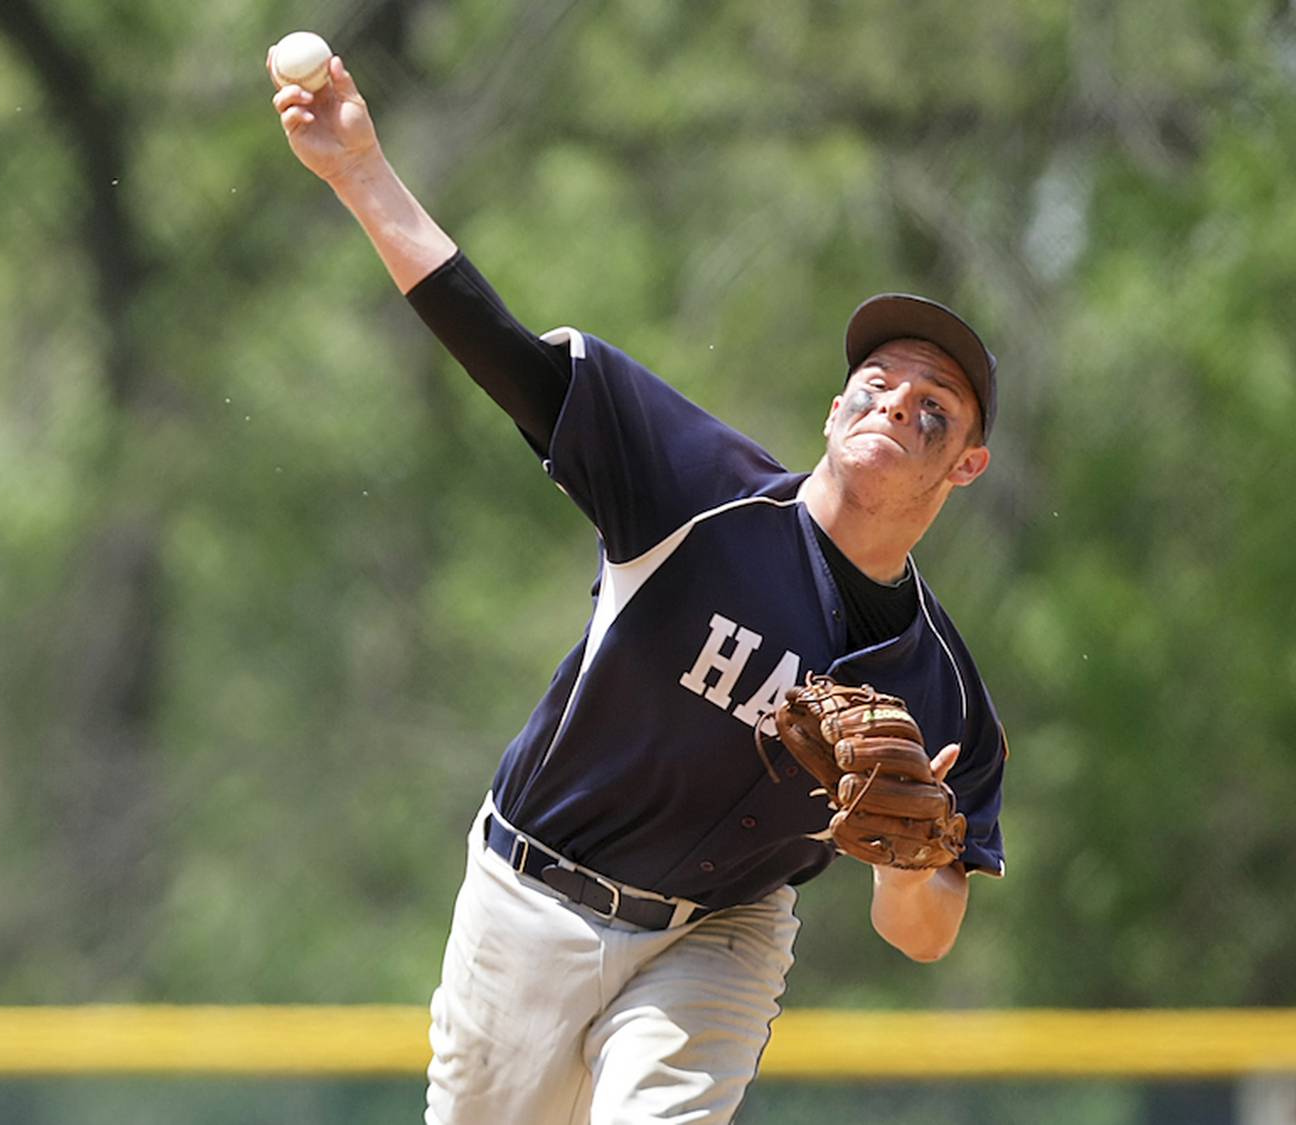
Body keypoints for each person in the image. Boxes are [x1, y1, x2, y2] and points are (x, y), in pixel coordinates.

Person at [270, 51, 1008, 1125]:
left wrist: (906, 861)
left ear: (966, 466)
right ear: (831, 411)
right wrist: (358, 171)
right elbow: (506, 356)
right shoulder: (695, 490)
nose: (897, 402)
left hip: (721, 931)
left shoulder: (940, 689)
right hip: (531, 896)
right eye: (875, 382)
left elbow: (926, 932)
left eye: (934, 402)